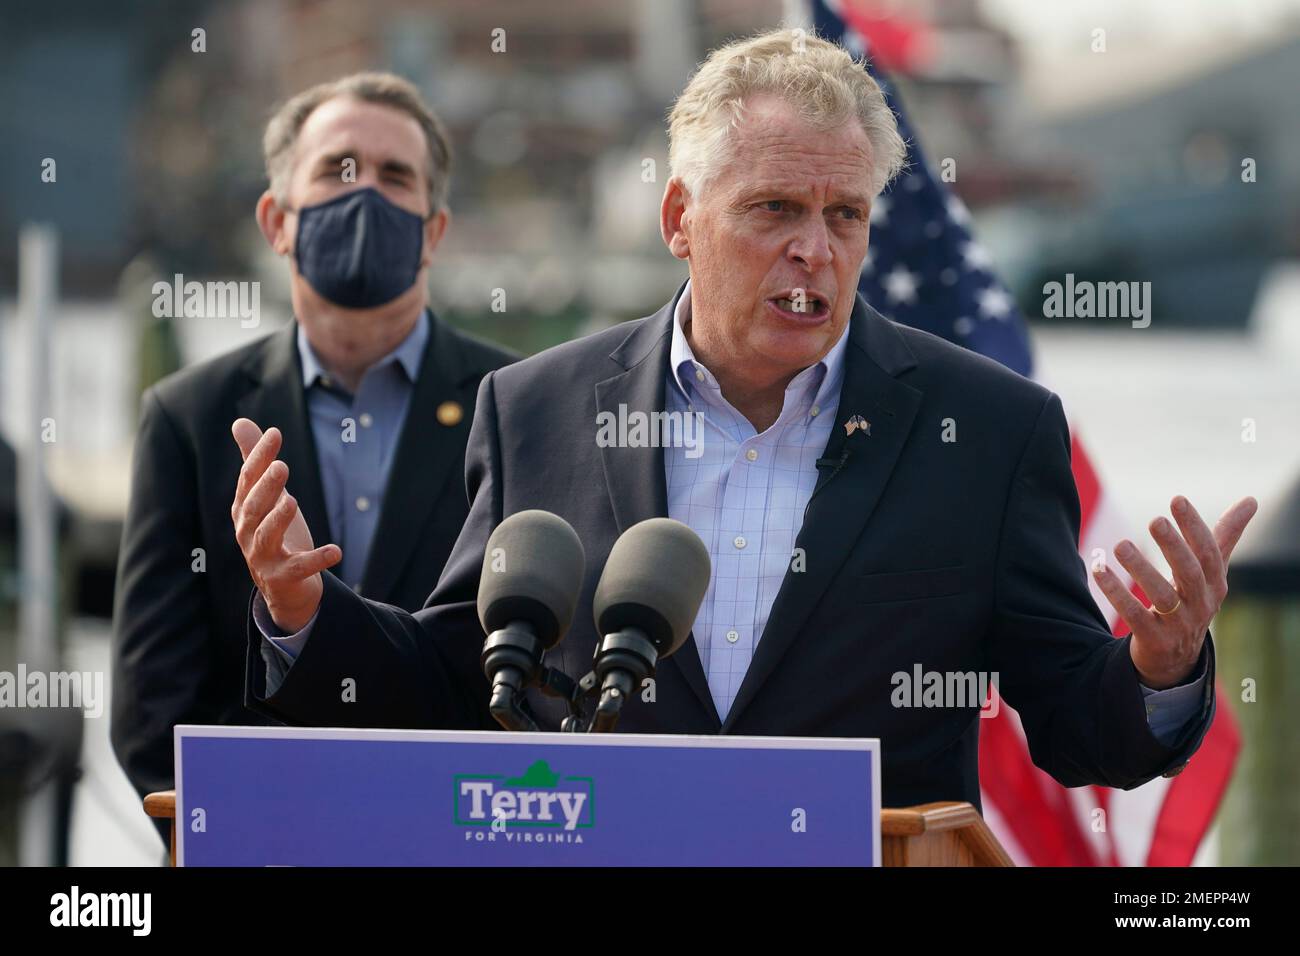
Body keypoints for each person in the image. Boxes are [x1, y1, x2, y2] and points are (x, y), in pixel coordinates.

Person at [229, 33, 1256, 811]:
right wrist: (306, 614)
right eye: (774, 210)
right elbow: (459, 676)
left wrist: (1155, 669)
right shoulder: (535, 407)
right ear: (680, 219)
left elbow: (1080, 725)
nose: (815, 248)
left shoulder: (987, 430)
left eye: (843, 215)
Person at [111, 72, 516, 844]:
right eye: (337, 170)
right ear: (277, 219)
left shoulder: (519, 406)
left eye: (395, 176)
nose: (364, 195)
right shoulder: (189, 420)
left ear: (434, 229)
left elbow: (518, 677)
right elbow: (152, 712)